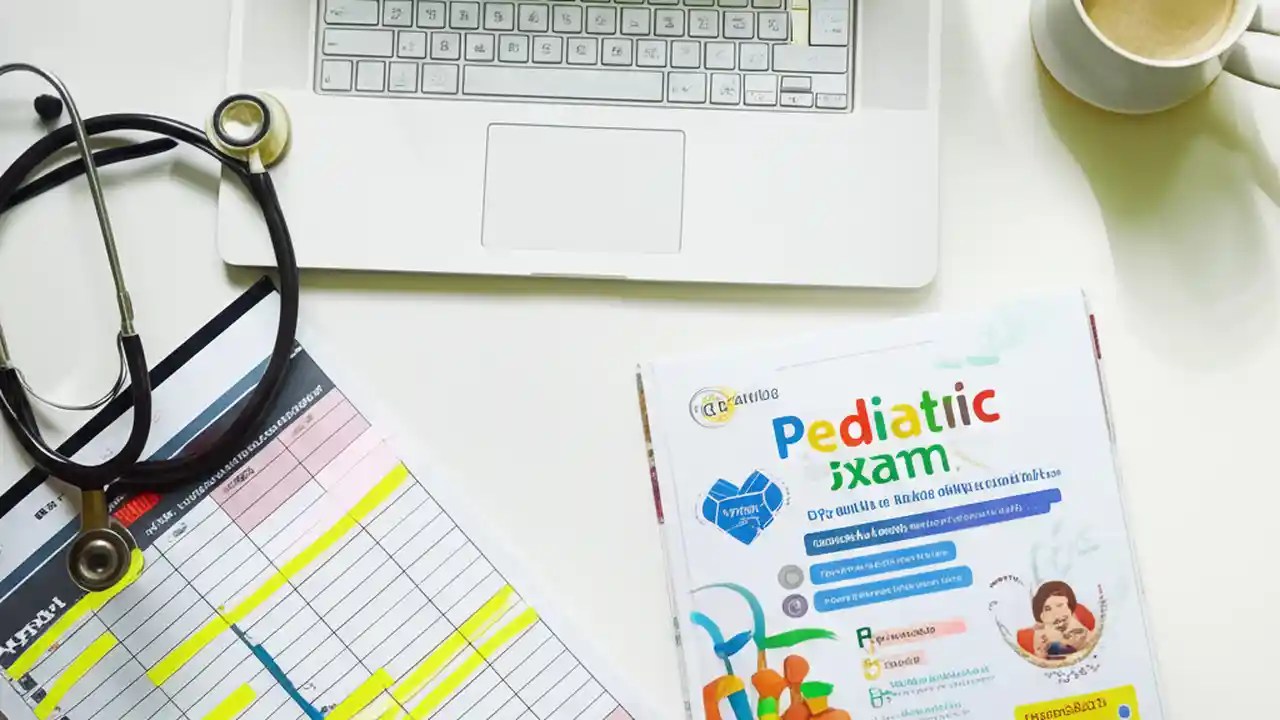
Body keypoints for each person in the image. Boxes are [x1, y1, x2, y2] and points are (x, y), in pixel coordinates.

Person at [1030, 581, 1093, 659]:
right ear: (1042, 616)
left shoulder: (1082, 635)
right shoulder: (1040, 635)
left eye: (1060, 606)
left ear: (1070, 608)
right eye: (1048, 609)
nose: (1056, 614)